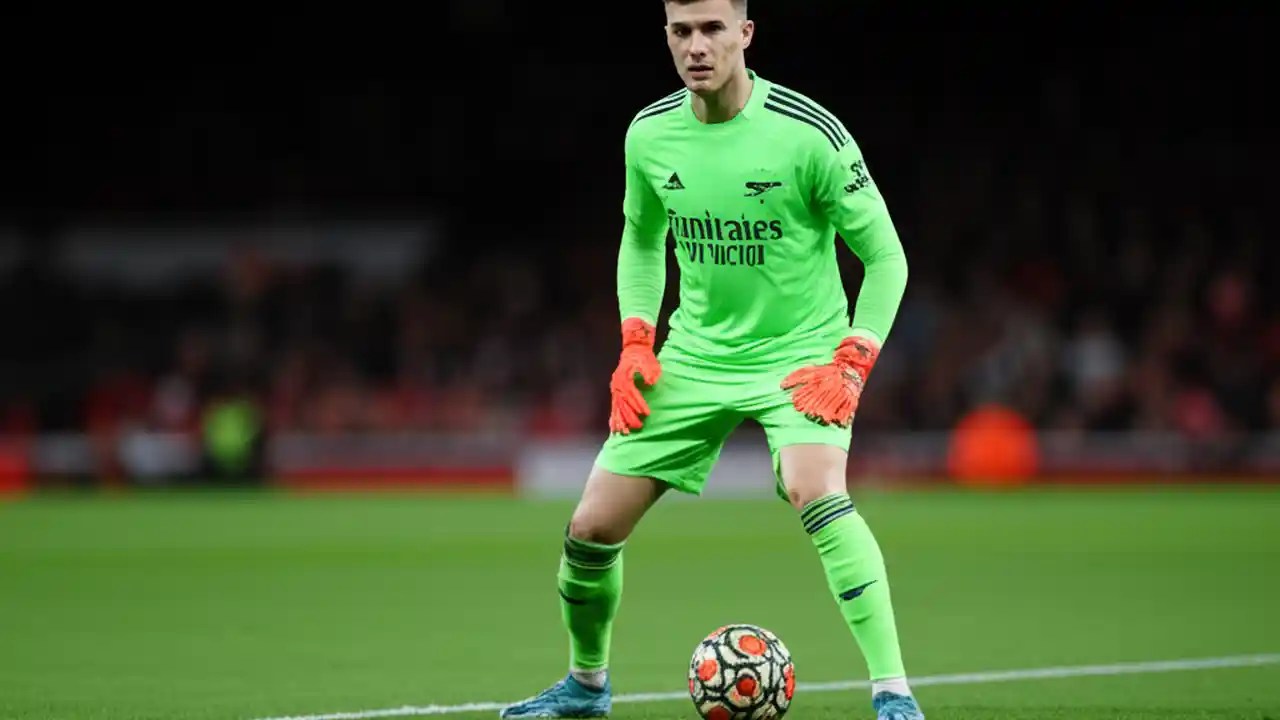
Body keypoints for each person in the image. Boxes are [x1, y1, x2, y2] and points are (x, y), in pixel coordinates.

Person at [500, 0, 922, 717]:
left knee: (817, 491)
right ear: (666, 37)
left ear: (745, 35)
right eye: (681, 31)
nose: (697, 46)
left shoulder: (808, 135)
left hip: (801, 353)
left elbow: (885, 257)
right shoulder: (650, 134)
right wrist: (636, 337)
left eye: (712, 29)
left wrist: (853, 358)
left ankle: (893, 694)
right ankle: (586, 687)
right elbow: (641, 238)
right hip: (693, 354)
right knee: (590, 528)